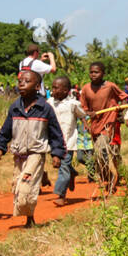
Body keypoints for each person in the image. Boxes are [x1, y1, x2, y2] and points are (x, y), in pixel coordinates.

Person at [0, 69, 65, 228]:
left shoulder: (44, 108)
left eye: (27, 82)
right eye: (20, 82)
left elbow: (55, 133)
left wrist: (57, 154)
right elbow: (6, 129)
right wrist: (0, 147)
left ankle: (29, 219)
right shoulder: (14, 107)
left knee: (26, 188)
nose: (22, 84)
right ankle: (30, 218)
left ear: (38, 86)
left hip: (36, 154)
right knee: (18, 187)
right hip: (18, 154)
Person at [79, 61, 128, 196]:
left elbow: (124, 98)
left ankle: (112, 177)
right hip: (95, 125)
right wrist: (88, 114)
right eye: (91, 72)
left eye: (96, 72)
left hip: (109, 123)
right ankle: (109, 175)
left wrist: (120, 112)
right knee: (100, 155)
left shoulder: (110, 86)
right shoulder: (86, 89)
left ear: (103, 73)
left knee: (102, 149)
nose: (93, 74)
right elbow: (83, 108)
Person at [48, 75, 87, 206]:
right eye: (52, 87)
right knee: (61, 166)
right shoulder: (49, 103)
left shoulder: (73, 104)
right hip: (53, 142)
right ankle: (72, 172)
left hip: (68, 142)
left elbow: (83, 115)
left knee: (62, 167)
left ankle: (61, 195)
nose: (52, 90)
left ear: (65, 91)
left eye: (55, 88)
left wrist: (86, 123)